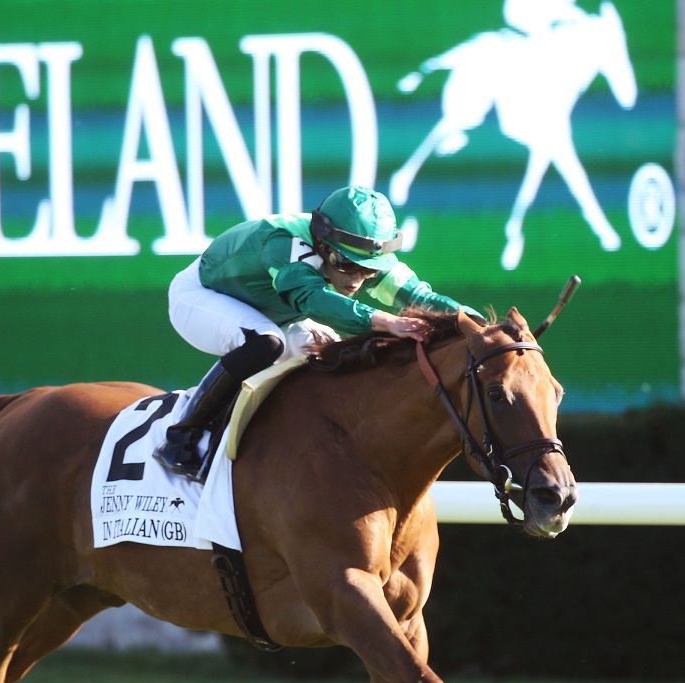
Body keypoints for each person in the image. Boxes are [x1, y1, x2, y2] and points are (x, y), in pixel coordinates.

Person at [153, 184, 480, 480]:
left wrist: (483, 327)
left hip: (270, 310)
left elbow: (422, 299)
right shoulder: (282, 243)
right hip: (200, 298)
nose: (355, 279)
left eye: (368, 269)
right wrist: (387, 320)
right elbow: (312, 299)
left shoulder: (357, 249)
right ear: (322, 243)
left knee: (333, 352)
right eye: (345, 263)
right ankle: (181, 436)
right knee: (266, 343)